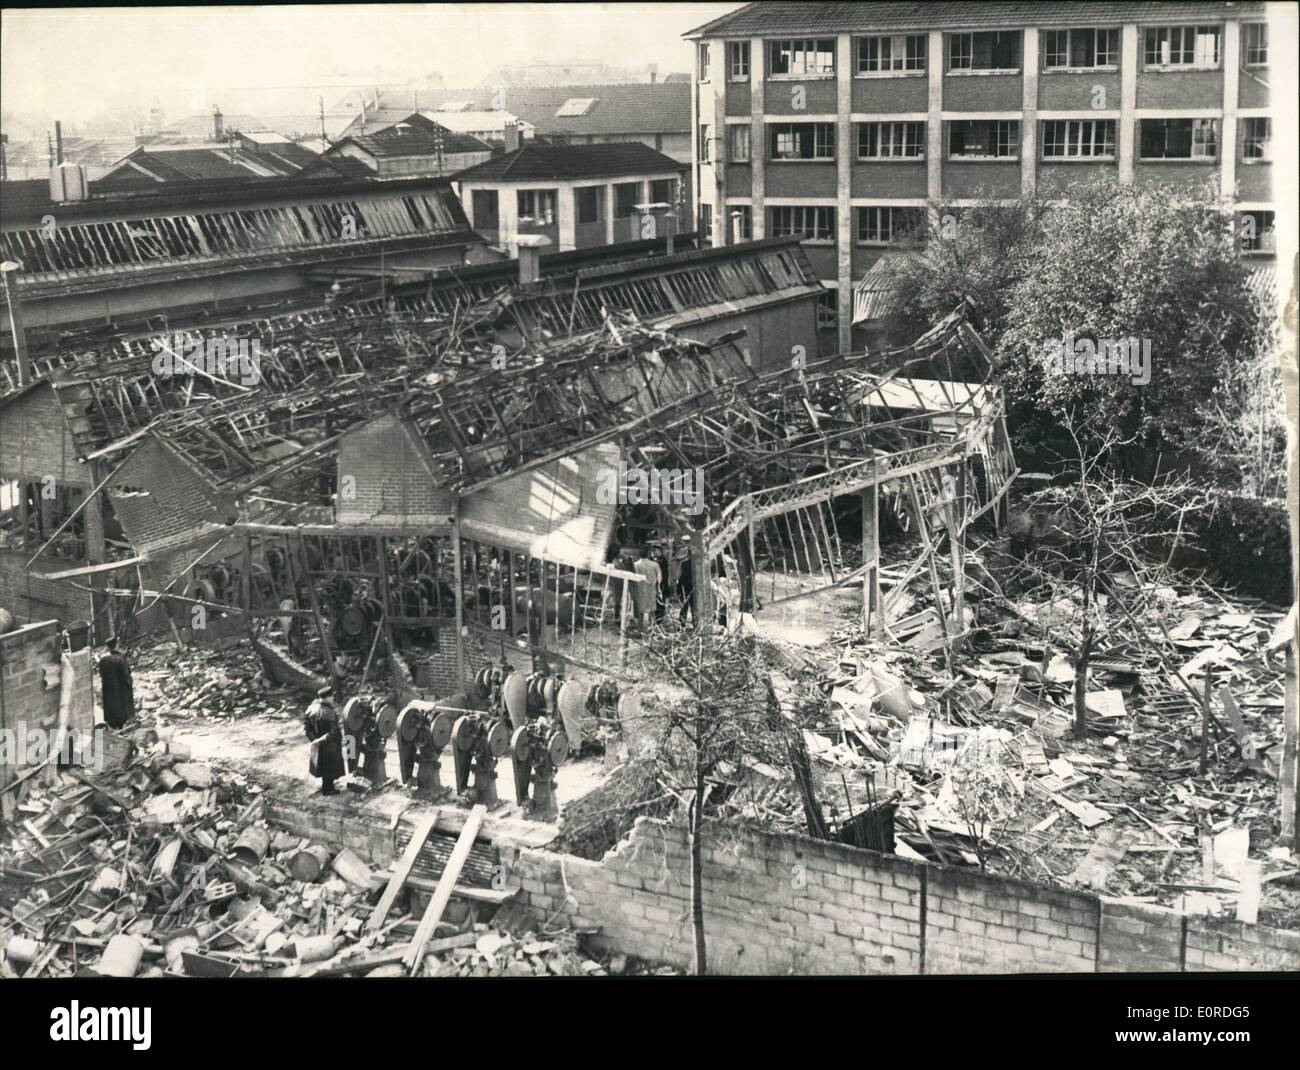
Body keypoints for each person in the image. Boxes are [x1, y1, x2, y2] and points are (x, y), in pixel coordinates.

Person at [303, 686, 344, 795]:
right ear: (326, 699)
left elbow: (307, 728)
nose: (333, 699)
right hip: (330, 745)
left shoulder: (310, 708)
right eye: (331, 697)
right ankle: (328, 789)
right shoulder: (330, 713)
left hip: (317, 743)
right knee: (330, 766)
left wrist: (315, 741)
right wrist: (321, 741)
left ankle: (326, 786)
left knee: (321, 765)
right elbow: (333, 732)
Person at [97, 637, 135, 729]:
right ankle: (122, 727)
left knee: (111, 709)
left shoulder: (103, 660)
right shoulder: (121, 659)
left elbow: (101, 674)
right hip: (121, 690)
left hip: (108, 691)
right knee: (121, 709)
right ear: (116, 645)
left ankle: (113, 726)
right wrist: (130, 685)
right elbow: (127, 676)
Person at [632, 546, 662, 630]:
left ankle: (640, 629)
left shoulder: (635, 565)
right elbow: (660, 578)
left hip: (640, 589)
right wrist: (657, 585)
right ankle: (653, 629)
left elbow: (633, 577)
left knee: (640, 610)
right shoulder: (655, 564)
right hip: (651, 589)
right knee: (652, 610)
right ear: (648, 554)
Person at [675, 538, 696, 624]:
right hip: (695, 586)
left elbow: (680, 576)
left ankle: (682, 624)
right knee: (694, 606)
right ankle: (696, 624)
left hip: (685, 586)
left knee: (684, 605)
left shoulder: (683, 563)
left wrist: (678, 587)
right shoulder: (698, 564)